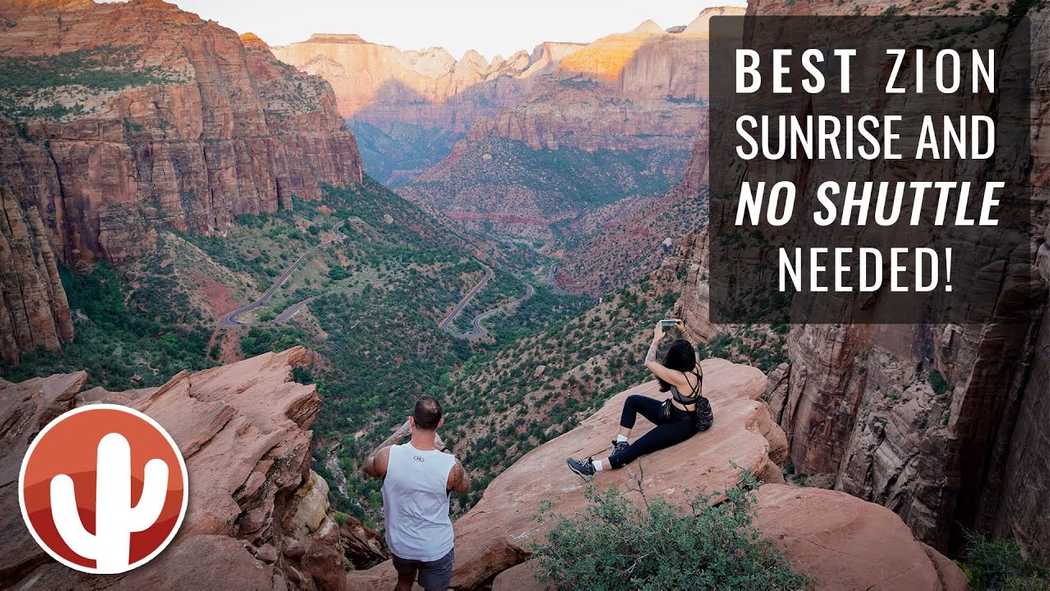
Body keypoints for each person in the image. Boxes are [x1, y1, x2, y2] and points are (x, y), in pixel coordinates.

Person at [567, 321, 714, 477]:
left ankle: (592, 467)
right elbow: (694, 347)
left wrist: (656, 339)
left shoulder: (680, 377)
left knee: (639, 446)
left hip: (681, 424)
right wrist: (684, 331)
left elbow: (649, 362)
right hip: (672, 412)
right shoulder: (696, 366)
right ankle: (621, 444)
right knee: (633, 401)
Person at [363, 397, 469, 591]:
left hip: (401, 544)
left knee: (403, 583)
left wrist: (398, 435)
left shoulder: (387, 457)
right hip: (435, 548)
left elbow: (367, 465)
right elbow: (465, 486)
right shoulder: (451, 467)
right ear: (440, 423)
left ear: (411, 421)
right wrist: (444, 447)